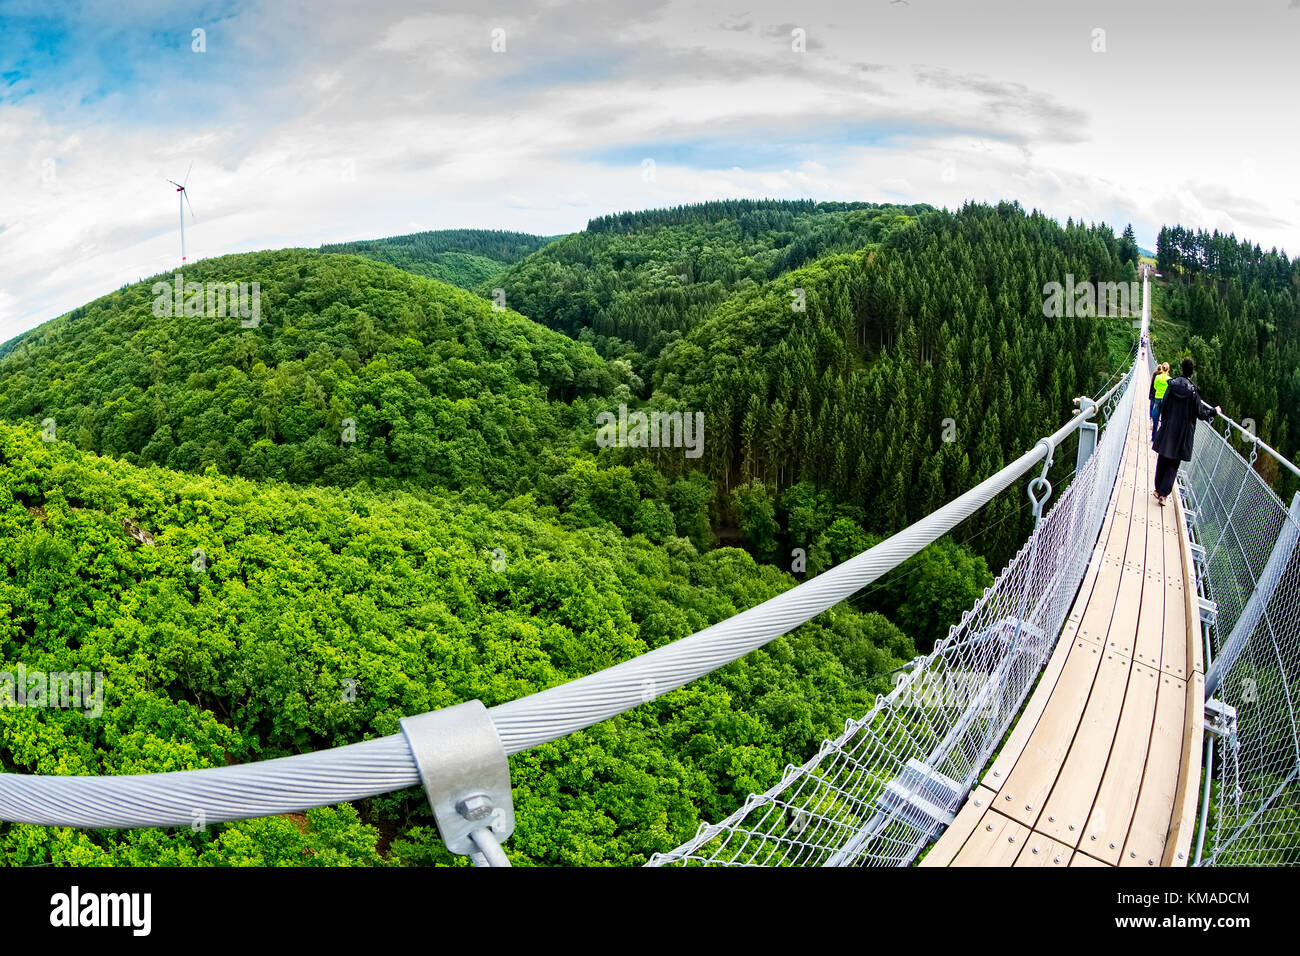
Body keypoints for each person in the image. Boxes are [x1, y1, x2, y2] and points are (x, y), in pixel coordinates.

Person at [1152, 357, 1220, 506]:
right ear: (1191, 372)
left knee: (1162, 459)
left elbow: (1164, 406)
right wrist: (1214, 411)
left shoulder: (1172, 385)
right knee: (1173, 464)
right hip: (1182, 434)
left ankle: (1157, 490)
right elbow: (1201, 414)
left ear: (1181, 369)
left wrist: (1165, 421)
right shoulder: (1193, 392)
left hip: (1168, 428)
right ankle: (1163, 495)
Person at [1149, 361, 1171, 443]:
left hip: (1157, 398)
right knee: (1163, 420)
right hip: (1165, 400)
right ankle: (1161, 439)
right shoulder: (1169, 379)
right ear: (1168, 370)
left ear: (1161, 368)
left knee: (1156, 418)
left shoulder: (1157, 377)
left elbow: (1155, 386)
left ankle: (1153, 438)